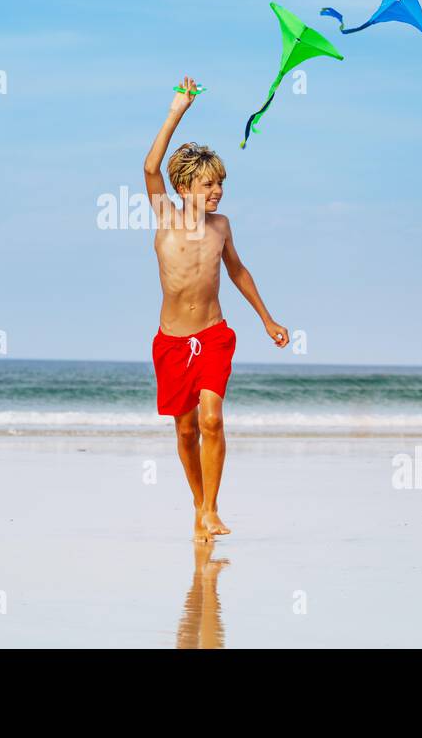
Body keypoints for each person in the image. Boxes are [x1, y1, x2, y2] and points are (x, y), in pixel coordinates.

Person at [143, 76, 290, 542]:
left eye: (221, 183)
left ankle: (210, 508)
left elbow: (238, 272)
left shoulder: (221, 226)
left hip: (213, 335)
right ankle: (196, 504)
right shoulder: (165, 215)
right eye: (208, 184)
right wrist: (177, 109)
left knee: (211, 419)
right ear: (184, 186)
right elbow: (150, 167)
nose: (217, 191)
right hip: (171, 342)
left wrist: (267, 319)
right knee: (186, 431)